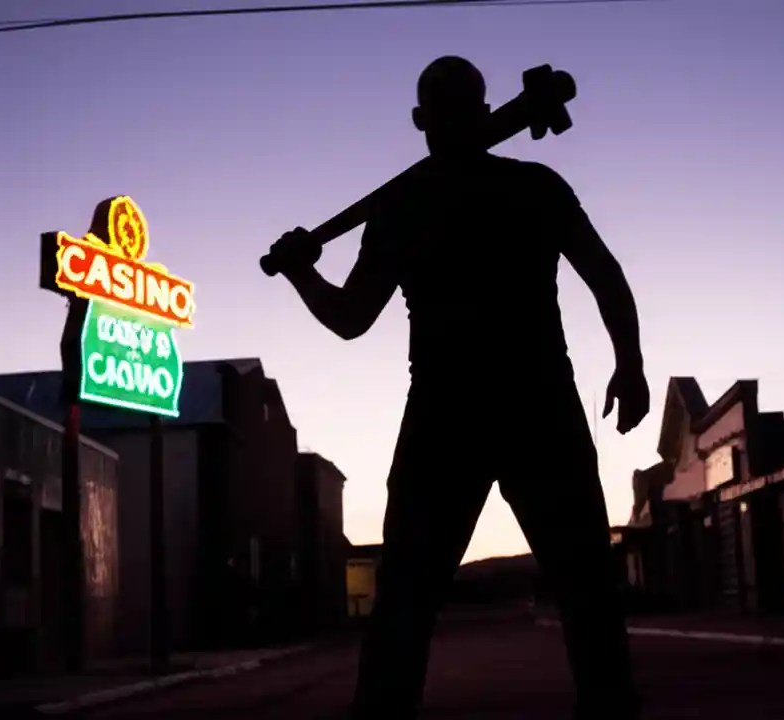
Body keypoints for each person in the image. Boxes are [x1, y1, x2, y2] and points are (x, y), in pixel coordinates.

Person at [268, 55, 649, 720]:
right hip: (535, 408)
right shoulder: (532, 188)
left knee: (408, 603)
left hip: (450, 416)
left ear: (422, 121)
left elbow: (351, 318)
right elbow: (606, 276)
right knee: (584, 593)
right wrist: (629, 363)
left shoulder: (403, 208)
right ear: (482, 110)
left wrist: (302, 271)